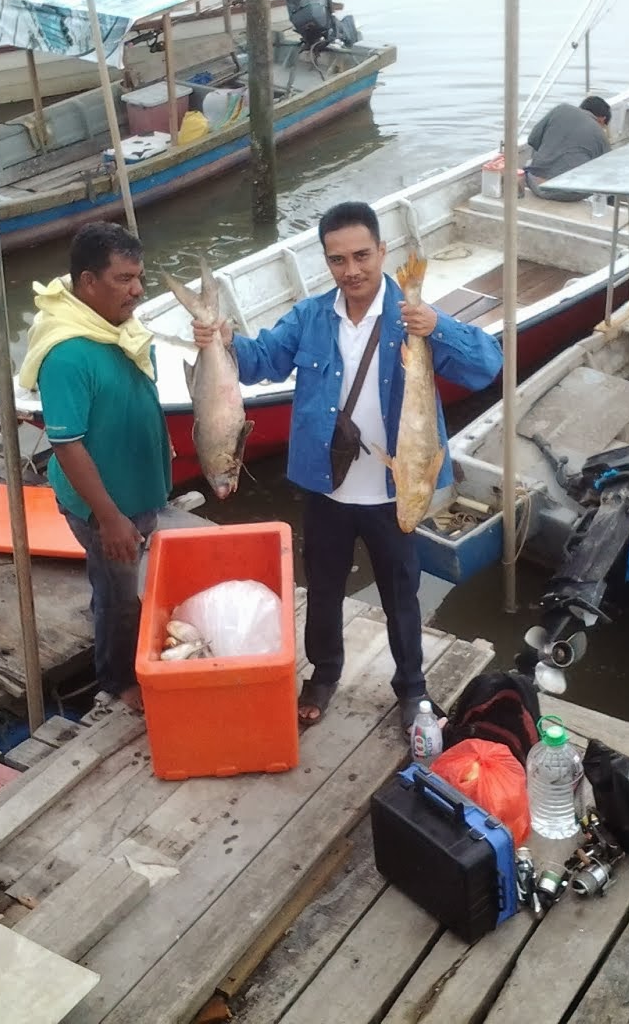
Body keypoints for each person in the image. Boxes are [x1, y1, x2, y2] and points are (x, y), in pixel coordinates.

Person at [192, 202, 502, 732]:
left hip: (394, 489)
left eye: (361, 255)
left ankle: (412, 687)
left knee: (401, 593)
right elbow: (262, 359)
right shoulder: (311, 317)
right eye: (338, 260)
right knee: (325, 588)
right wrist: (220, 340)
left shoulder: (413, 317)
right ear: (326, 262)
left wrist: (439, 326)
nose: (351, 270)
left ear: (382, 251)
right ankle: (325, 673)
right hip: (326, 486)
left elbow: (486, 367)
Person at [19, 222, 171, 711]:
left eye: (139, 276)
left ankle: (119, 647)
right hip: (106, 505)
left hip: (136, 488)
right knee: (119, 597)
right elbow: (66, 445)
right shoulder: (68, 354)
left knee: (114, 584)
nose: (138, 289)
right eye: (124, 279)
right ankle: (116, 679)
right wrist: (110, 519)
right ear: (88, 282)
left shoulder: (113, 325)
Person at [523, 94, 612, 201]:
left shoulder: (561, 109)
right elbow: (607, 173)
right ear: (602, 119)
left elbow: (532, 140)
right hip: (567, 193)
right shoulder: (600, 134)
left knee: (531, 160)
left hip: (535, 184)